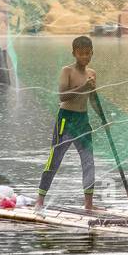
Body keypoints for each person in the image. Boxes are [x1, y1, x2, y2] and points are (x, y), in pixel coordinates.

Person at [36, 35, 98, 211]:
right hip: (66, 119)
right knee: (54, 160)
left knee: (88, 162)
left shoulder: (92, 74)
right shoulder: (67, 71)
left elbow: (93, 99)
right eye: (81, 54)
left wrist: (103, 118)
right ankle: (39, 200)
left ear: (92, 53)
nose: (85, 57)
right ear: (74, 53)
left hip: (83, 121)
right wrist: (84, 88)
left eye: (88, 54)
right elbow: (62, 96)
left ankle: (88, 204)